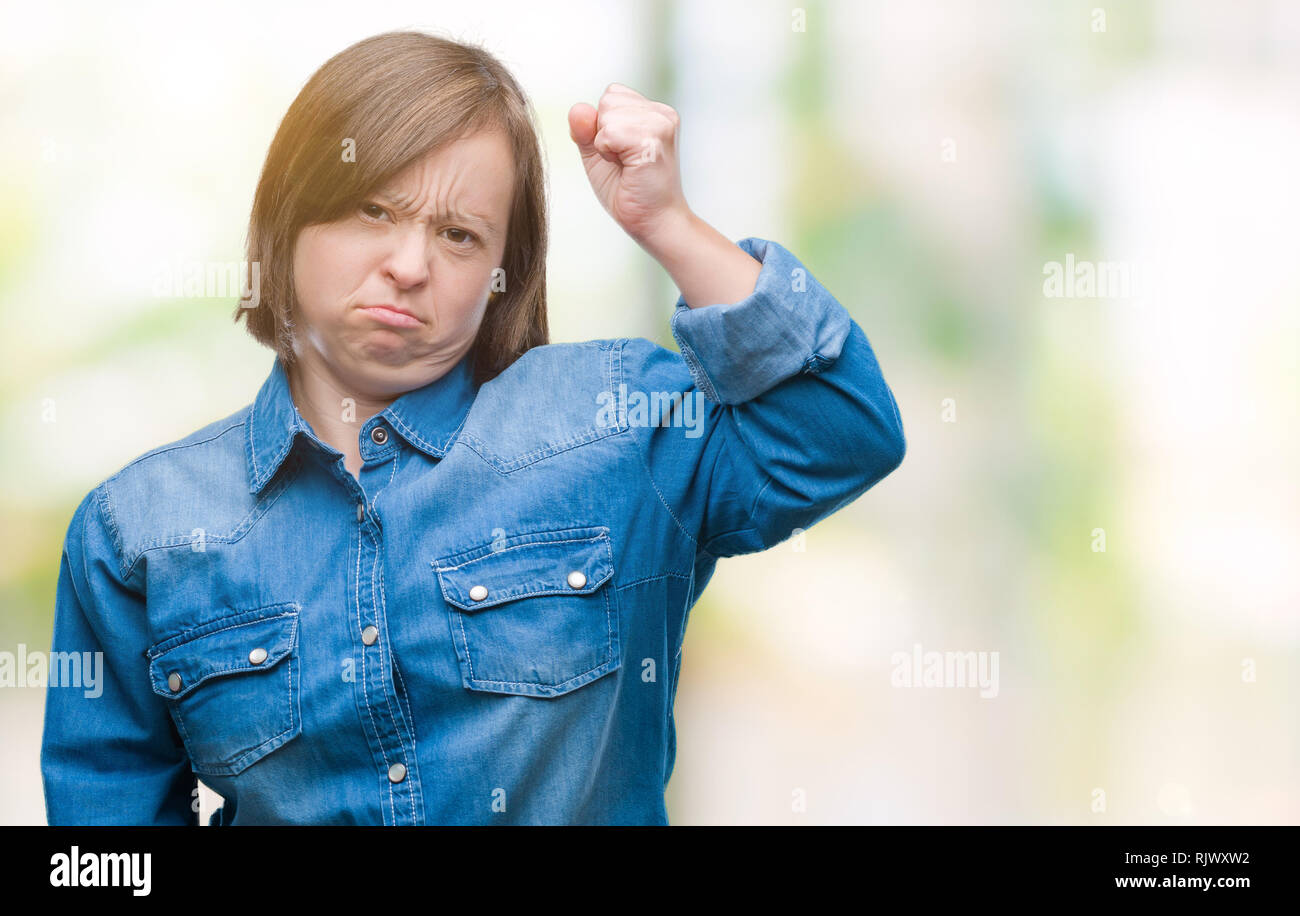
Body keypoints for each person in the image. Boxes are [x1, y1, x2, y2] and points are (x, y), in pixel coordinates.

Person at [40, 30, 906, 825]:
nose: (410, 266)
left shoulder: (615, 426)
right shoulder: (138, 533)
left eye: (459, 236)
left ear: (503, 271)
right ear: (289, 214)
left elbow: (841, 429)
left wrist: (668, 225)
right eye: (374, 211)